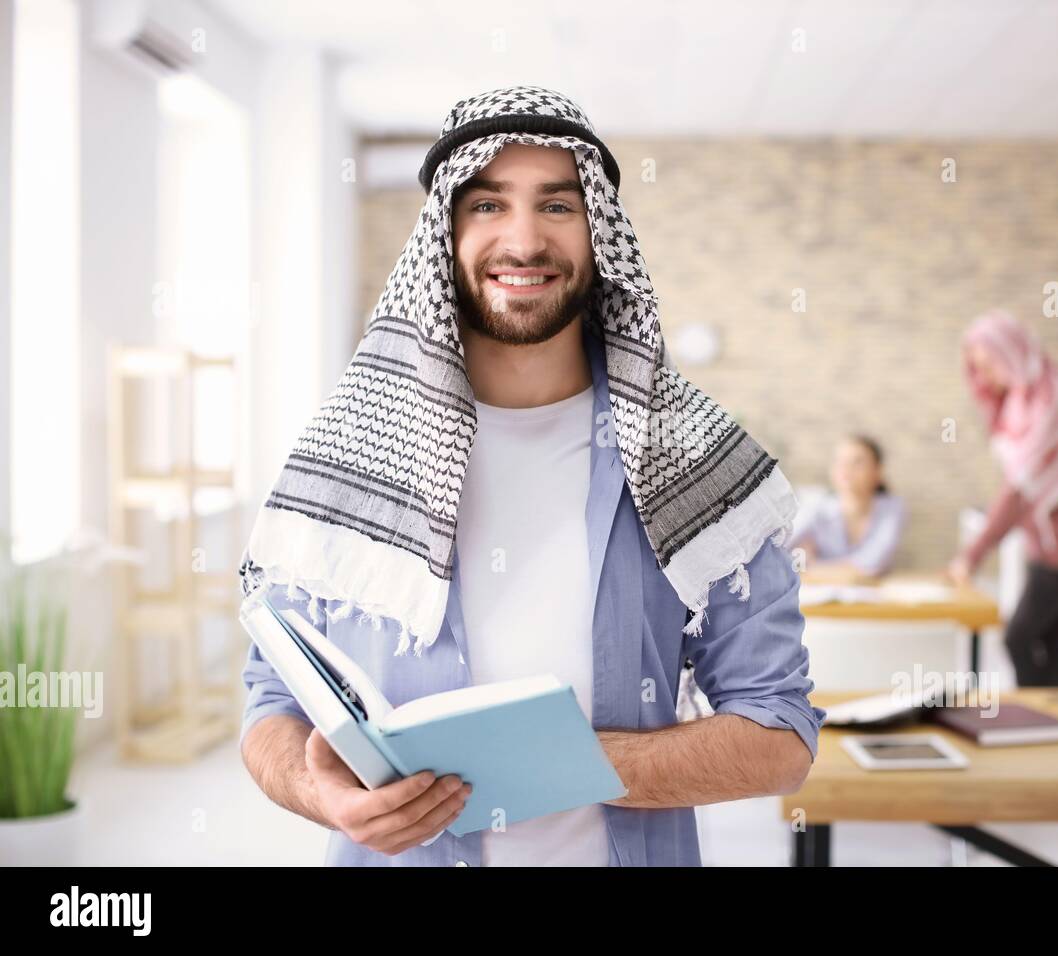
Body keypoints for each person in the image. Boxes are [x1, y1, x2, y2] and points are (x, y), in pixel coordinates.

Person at [236, 87, 825, 867]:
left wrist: (553, 761)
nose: (523, 240)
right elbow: (272, 705)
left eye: (558, 205)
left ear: (600, 235)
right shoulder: (346, 457)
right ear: (443, 232)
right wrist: (325, 797)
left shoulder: (699, 461)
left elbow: (780, 733)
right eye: (486, 205)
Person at [945, 309, 1058, 687]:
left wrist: (972, 554)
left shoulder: (1053, 399)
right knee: (1051, 636)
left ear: (1012, 352)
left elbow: (1019, 488)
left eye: (991, 365)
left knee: (1018, 636)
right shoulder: (1021, 399)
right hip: (1047, 543)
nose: (985, 377)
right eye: (977, 368)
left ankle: (1036, 714)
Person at [791, 434, 906, 579]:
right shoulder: (815, 505)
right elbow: (780, 550)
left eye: (857, 463)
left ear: (878, 471)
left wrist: (812, 568)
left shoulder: (891, 508)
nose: (846, 469)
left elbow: (872, 564)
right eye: (840, 461)